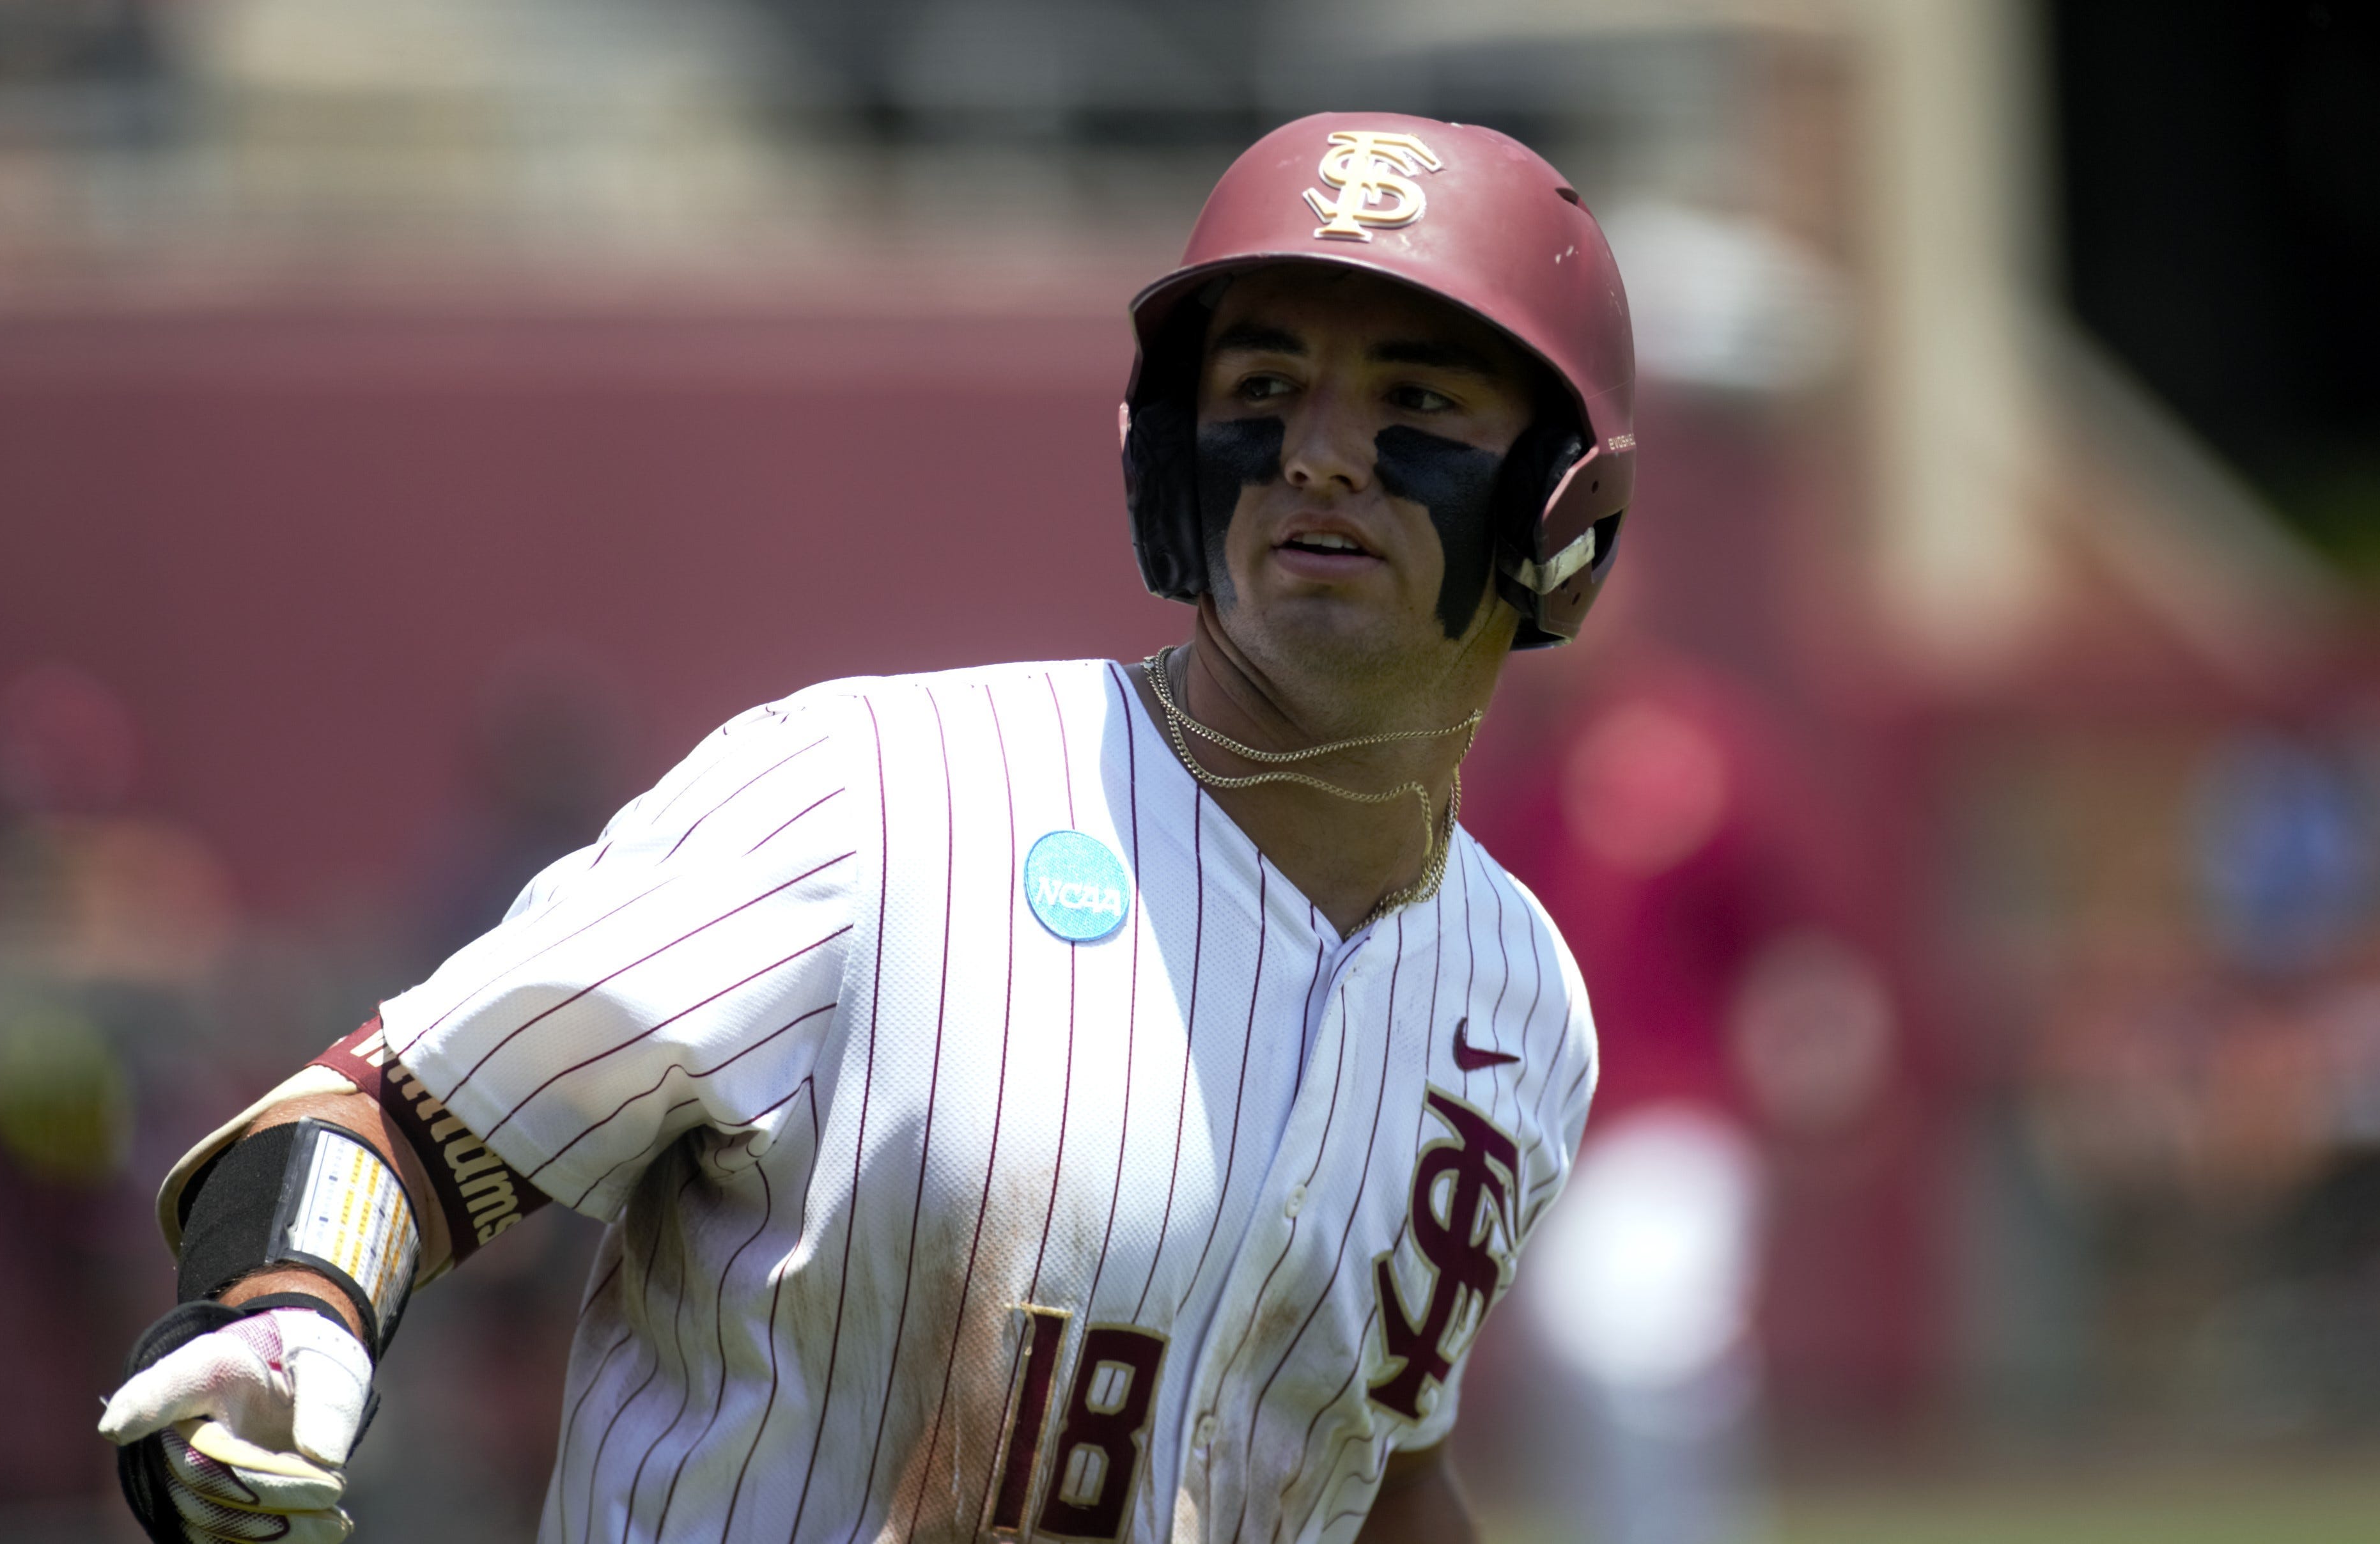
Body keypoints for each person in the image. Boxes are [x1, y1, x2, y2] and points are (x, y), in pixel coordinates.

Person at [96, 112, 1637, 1544]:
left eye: (1416, 402)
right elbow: (394, 1113)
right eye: (1259, 390)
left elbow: (1365, 1462)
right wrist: (281, 1311)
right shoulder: (877, 796)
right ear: (1170, 458)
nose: (1318, 450)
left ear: (1557, 505)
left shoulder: (1518, 1002)